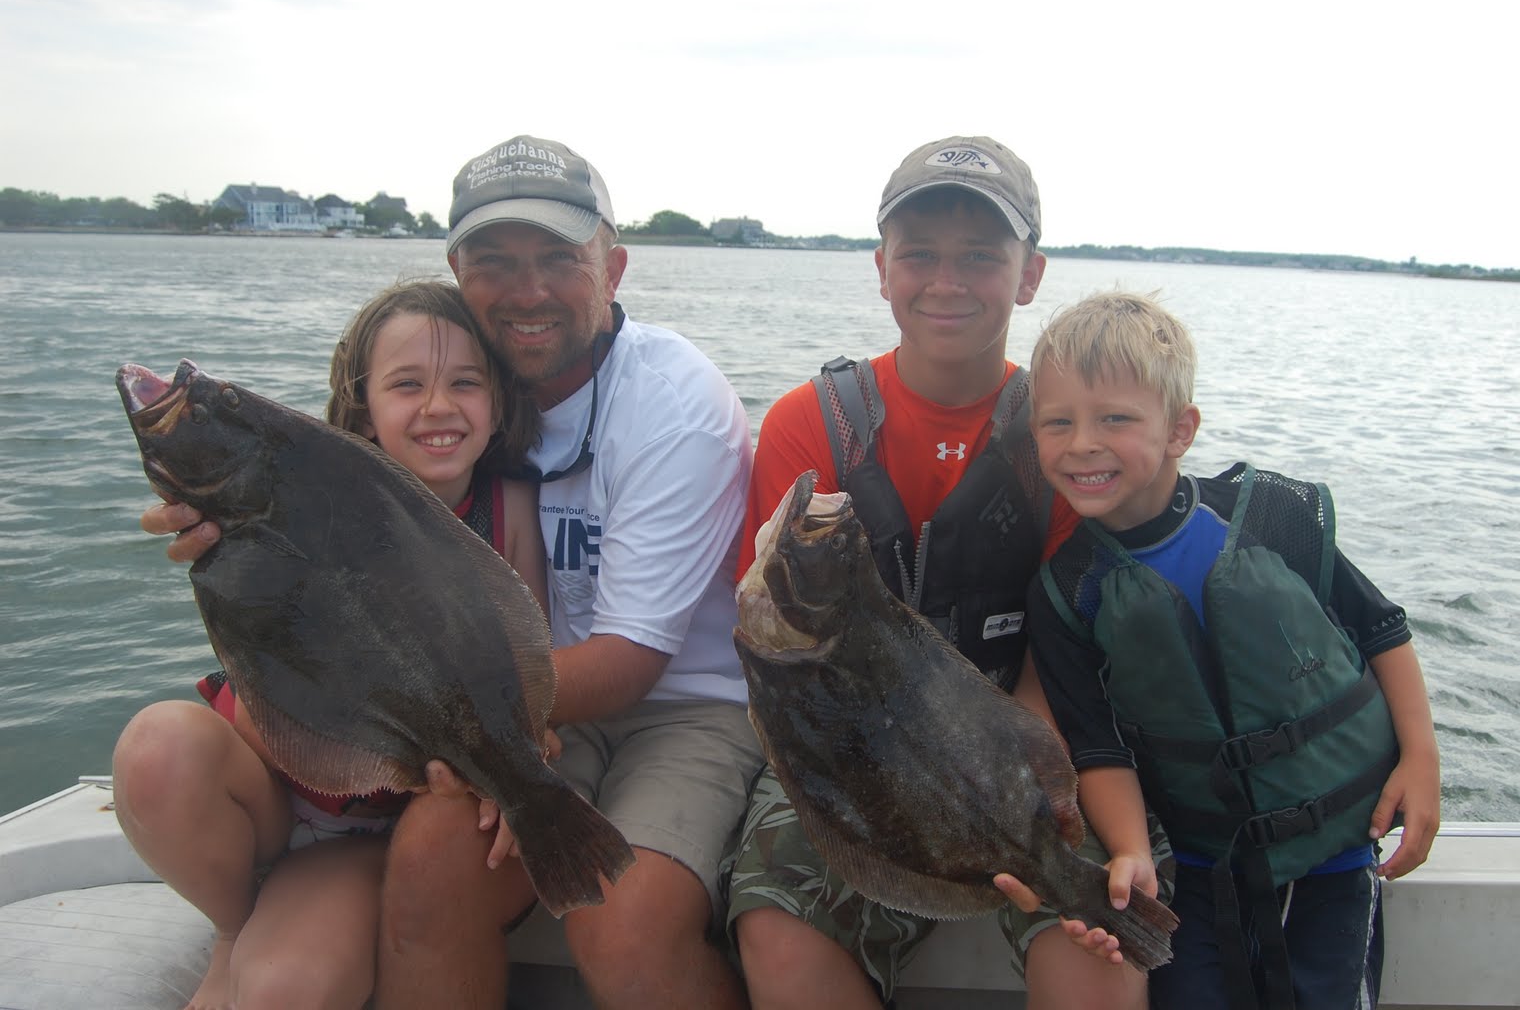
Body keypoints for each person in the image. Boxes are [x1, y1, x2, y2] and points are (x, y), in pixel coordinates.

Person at [140, 135, 764, 1010]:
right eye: (494, 261)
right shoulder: (457, 392)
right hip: (512, 709)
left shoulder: (673, 407)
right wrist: (222, 537)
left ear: (614, 268)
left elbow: (629, 663)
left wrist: (474, 735)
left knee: (621, 923)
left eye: (559, 259)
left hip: (674, 706)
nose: (527, 291)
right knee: (431, 863)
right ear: (457, 273)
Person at [726, 136, 1167, 1010]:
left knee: (1104, 948)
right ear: (882, 270)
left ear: (1030, 275)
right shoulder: (810, 423)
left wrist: (1018, 789)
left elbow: (1064, 653)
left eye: (980, 257)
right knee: (777, 934)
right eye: (920, 254)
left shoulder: (1066, 440)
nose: (946, 281)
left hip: (1029, 728)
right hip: (844, 745)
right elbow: (775, 642)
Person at [113, 279, 545, 1010]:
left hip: (376, 824)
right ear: (362, 408)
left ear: (498, 403)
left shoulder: (513, 509)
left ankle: (279, 927)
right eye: (406, 384)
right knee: (156, 748)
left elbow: (529, 667)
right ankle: (232, 927)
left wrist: (518, 769)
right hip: (269, 782)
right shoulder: (289, 492)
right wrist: (206, 530)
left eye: (465, 383)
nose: (438, 406)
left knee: (285, 990)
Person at [1025, 289, 1442, 1010]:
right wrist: (1130, 850)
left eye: (1115, 419)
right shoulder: (1067, 590)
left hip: (1335, 857)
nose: (1082, 443)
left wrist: (1421, 759)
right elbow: (1098, 747)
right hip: (1195, 868)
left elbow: (1381, 629)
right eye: (1056, 422)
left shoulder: (1271, 520)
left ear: (1179, 429)